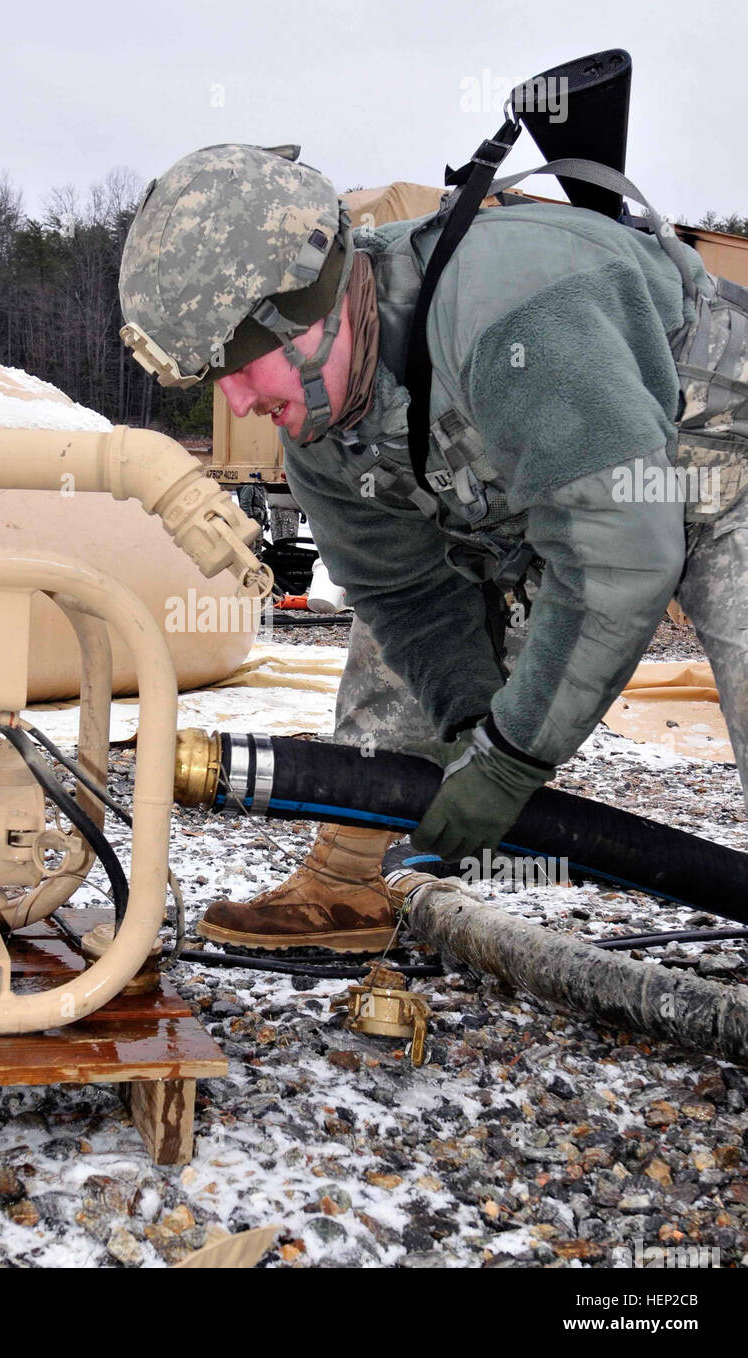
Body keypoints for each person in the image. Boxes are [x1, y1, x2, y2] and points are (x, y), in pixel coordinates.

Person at [118, 142, 748, 952]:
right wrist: (470, 726)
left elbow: (619, 561)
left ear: (313, 310)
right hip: (564, 502)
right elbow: (404, 592)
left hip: (725, 467)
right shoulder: (321, 419)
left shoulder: (512, 317)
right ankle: (354, 879)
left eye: (243, 362)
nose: (237, 399)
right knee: (399, 634)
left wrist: (509, 763)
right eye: (215, 378)